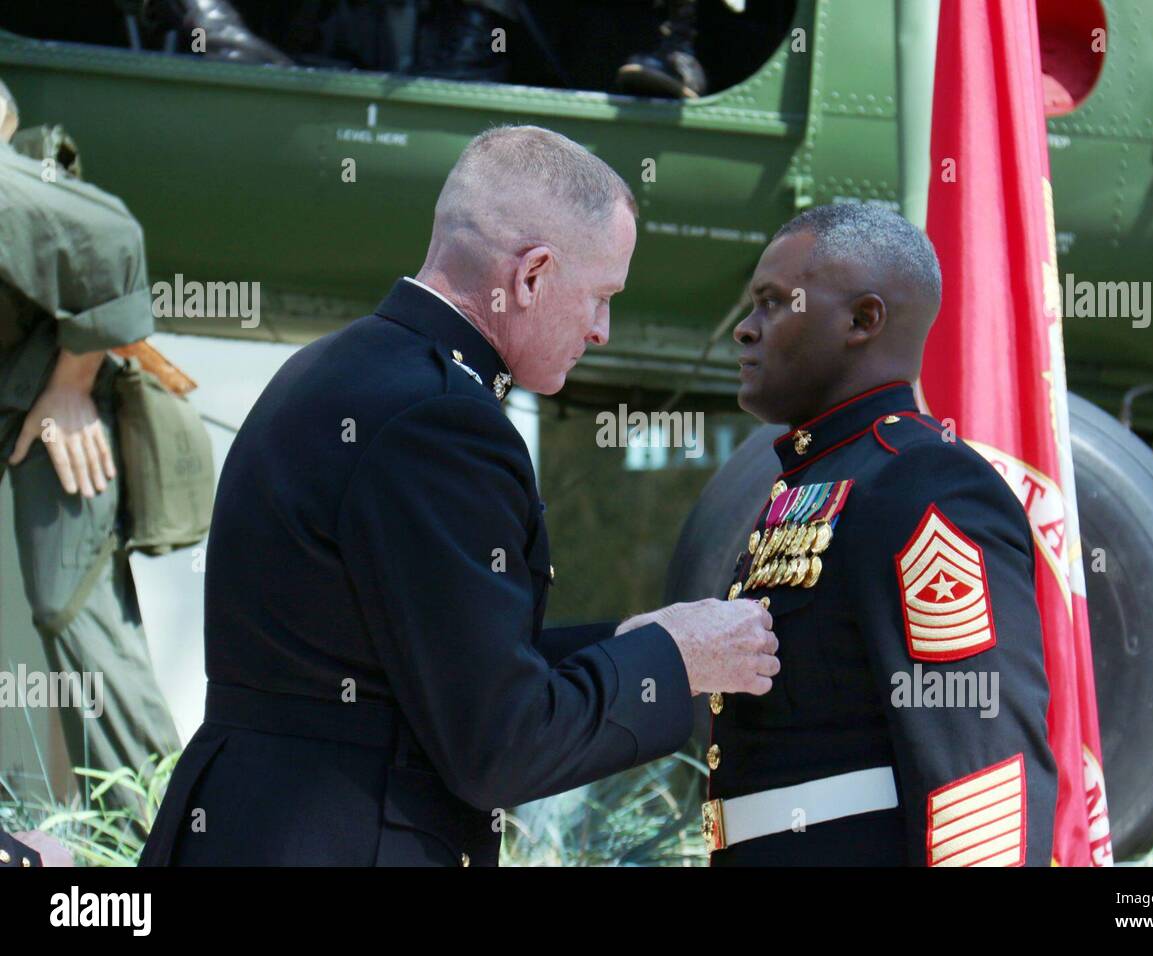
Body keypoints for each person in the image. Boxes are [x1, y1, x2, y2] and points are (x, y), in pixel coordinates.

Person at [140, 124, 779, 867]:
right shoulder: (440, 421)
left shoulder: (340, 367)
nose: (602, 330)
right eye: (600, 296)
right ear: (534, 275)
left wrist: (632, 639)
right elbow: (500, 745)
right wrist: (675, 660)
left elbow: (439, 658)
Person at [702, 201, 1057, 866]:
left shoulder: (924, 487)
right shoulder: (820, 480)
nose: (746, 331)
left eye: (774, 303)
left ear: (863, 320)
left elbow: (977, 769)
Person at [0, 81, 181, 803]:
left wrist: (70, 386)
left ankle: (167, 832)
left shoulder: (13, 198)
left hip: (47, 386)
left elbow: (112, 242)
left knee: (67, 603)